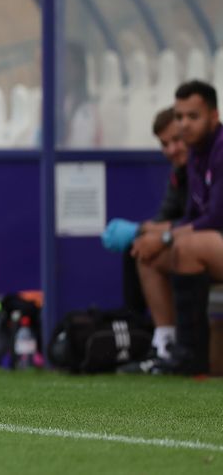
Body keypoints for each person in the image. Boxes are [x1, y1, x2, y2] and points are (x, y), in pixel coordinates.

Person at [132, 80, 223, 375]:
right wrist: (157, 237)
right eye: (180, 116)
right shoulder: (196, 155)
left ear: (214, 116)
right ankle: (166, 345)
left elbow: (214, 219)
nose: (184, 125)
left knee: (184, 245)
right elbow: (190, 216)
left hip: (216, 239)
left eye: (192, 117)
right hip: (213, 244)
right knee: (147, 250)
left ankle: (192, 355)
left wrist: (167, 236)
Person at [103, 107, 188, 365]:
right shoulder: (179, 173)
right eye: (165, 144)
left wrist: (145, 230)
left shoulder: (210, 163)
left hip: (206, 244)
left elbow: (205, 222)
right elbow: (166, 219)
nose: (172, 149)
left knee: (148, 246)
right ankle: (154, 337)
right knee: (141, 249)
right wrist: (144, 233)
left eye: (177, 140)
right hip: (191, 241)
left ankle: (181, 346)